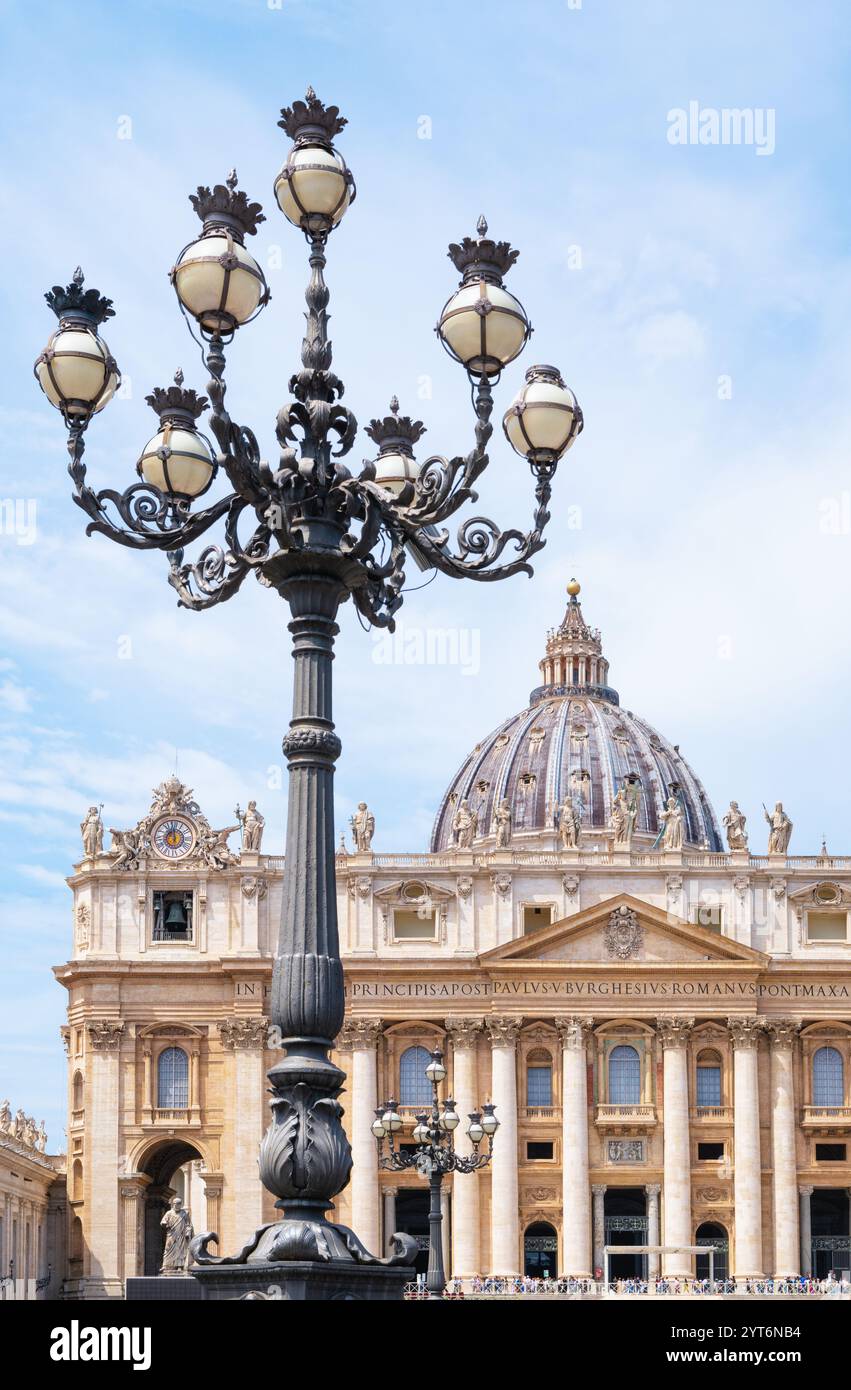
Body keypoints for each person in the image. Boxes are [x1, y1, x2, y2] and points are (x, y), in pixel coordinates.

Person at [160, 1196, 193, 1275]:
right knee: (168, 1249)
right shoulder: (169, 1213)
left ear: (180, 1205)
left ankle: (180, 1266)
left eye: (178, 1204)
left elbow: (188, 1224)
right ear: (173, 1204)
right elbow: (163, 1221)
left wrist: (188, 1232)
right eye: (175, 1204)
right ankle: (166, 1265)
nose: (176, 1205)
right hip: (171, 1235)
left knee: (180, 1251)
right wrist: (165, 1224)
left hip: (181, 1236)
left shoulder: (184, 1213)